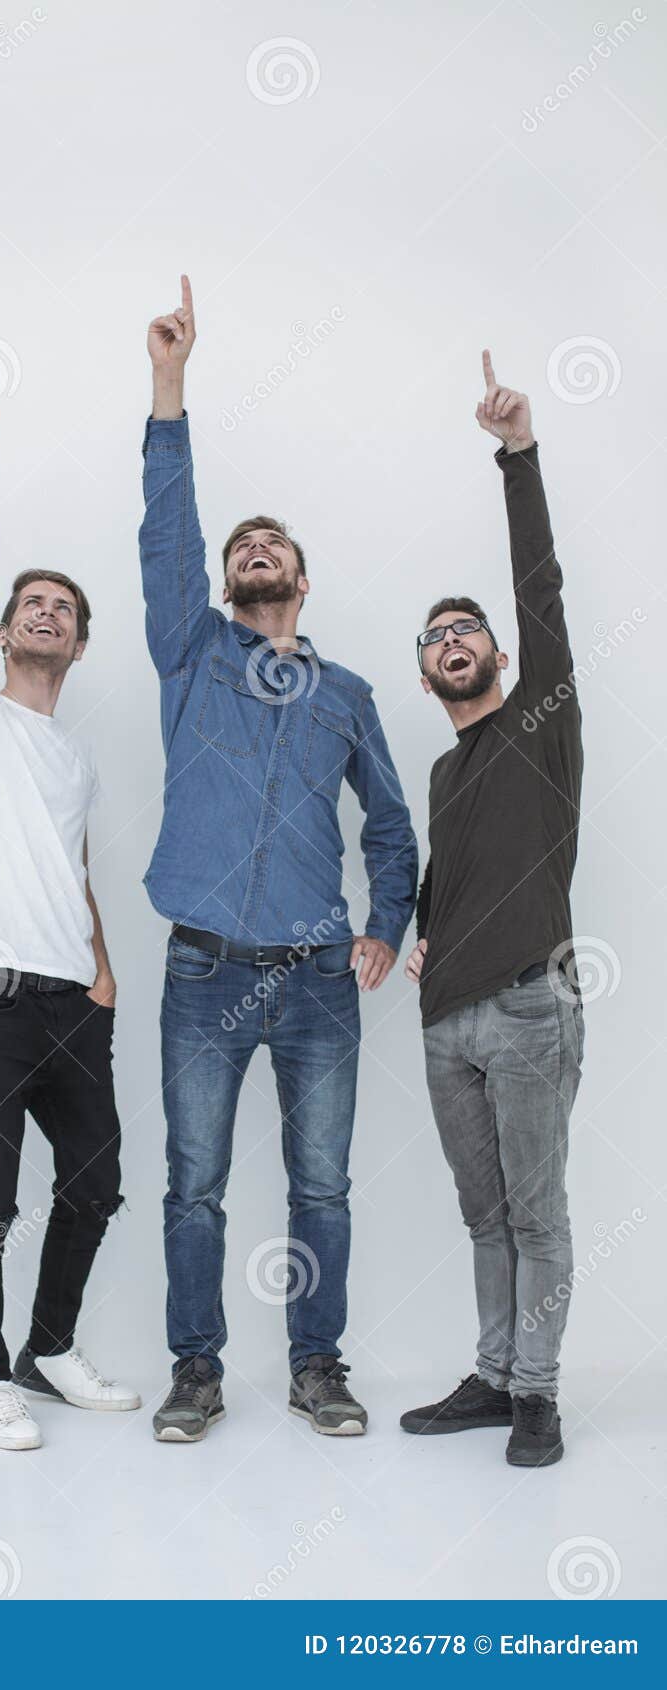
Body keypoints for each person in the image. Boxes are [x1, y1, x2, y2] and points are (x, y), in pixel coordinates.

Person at [139, 278, 418, 1443]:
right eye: (240, 545)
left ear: (299, 580)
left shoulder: (345, 693)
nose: (252, 551)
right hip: (203, 970)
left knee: (321, 1187)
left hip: (312, 977)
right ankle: (194, 1370)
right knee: (193, 1185)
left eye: (273, 546)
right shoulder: (190, 650)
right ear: (226, 579)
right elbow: (166, 529)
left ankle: (317, 1365)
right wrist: (169, 387)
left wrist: (384, 925)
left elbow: (391, 828)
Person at [0, 345, 139, 1453]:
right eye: (31, 604)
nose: (43, 613)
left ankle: (46, 1348)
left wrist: (103, 963)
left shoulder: (74, 756)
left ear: (78, 639)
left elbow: (77, 864)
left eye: (63, 606)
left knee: (96, 1178)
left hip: (71, 997)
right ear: (7, 631)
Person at [400, 351, 583, 1468]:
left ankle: (538, 1396)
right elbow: (448, 868)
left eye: (463, 628)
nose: (450, 639)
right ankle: (490, 1370)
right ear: (425, 675)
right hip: (445, 1024)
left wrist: (514, 452)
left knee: (536, 1214)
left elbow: (539, 585)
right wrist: (422, 928)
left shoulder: (539, 722)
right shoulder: (441, 770)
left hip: (526, 1010)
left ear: (498, 657)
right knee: (482, 1218)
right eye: (432, 637)